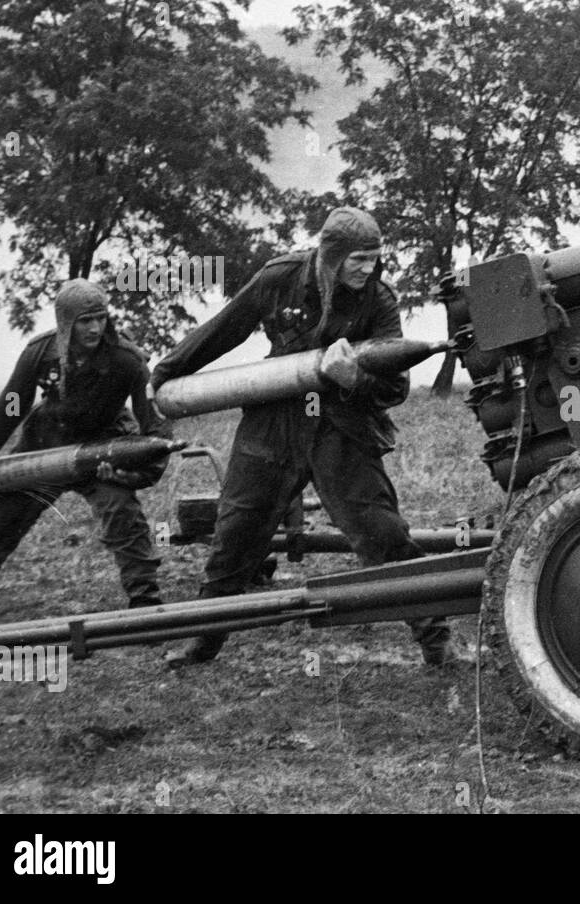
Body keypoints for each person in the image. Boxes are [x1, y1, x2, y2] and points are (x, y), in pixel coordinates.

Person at [151, 206, 452, 667]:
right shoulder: (280, 278)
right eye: (358, 260)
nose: (368, 269)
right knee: (235, 534)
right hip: (274, 424)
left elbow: (395, 388)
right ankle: (202, 642)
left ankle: (437, 644)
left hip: (339, 428)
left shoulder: (379, 301)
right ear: (331, 256)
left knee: (384, 534)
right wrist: (168, 373)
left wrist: (353, 380)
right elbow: (225, 329)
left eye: (374, 259)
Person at [0, 280, 168, 615]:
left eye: (100, 318)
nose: (95, 328)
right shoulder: (39, 354)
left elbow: (152, 420)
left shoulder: (127, 360)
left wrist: (137, 472)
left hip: (101, 451)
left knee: (122, 513)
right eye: (85, 321)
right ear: (65, 324)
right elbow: (11, 407)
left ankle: (144, 597)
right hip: (44, 448)